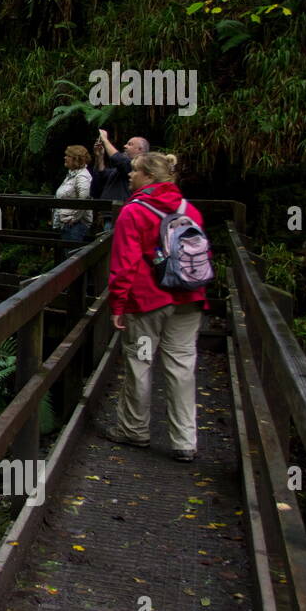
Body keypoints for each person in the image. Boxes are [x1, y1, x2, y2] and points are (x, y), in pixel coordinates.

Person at [103, 152, 209, 463]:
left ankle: (134, 430)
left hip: (148, 301)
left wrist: (118, 303)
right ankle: (185, 441)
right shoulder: (189, 209)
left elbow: (124, 264)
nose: (130, 175)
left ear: (149, 176)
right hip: (189, 297)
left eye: (134, 170)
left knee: (141, 362)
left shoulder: (133, 212)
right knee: (182, 367)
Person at [96, 130, 149, 231]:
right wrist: (100, 156)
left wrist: (105, 140)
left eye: (130, 144)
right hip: (108, 215)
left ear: (140, 149)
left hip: (119, 215)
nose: (125, 146)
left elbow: (118, 160)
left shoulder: (138, 168)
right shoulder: (121, 169)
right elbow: (103, 174)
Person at [52, 145, 93, 243]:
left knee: (72, 256)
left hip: (74, 227)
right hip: (67, 224)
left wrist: (73, 219)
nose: (65, 158)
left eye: (68, 156)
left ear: (76, 159)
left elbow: (84, 201)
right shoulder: (72, 174)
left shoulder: (82, 176)